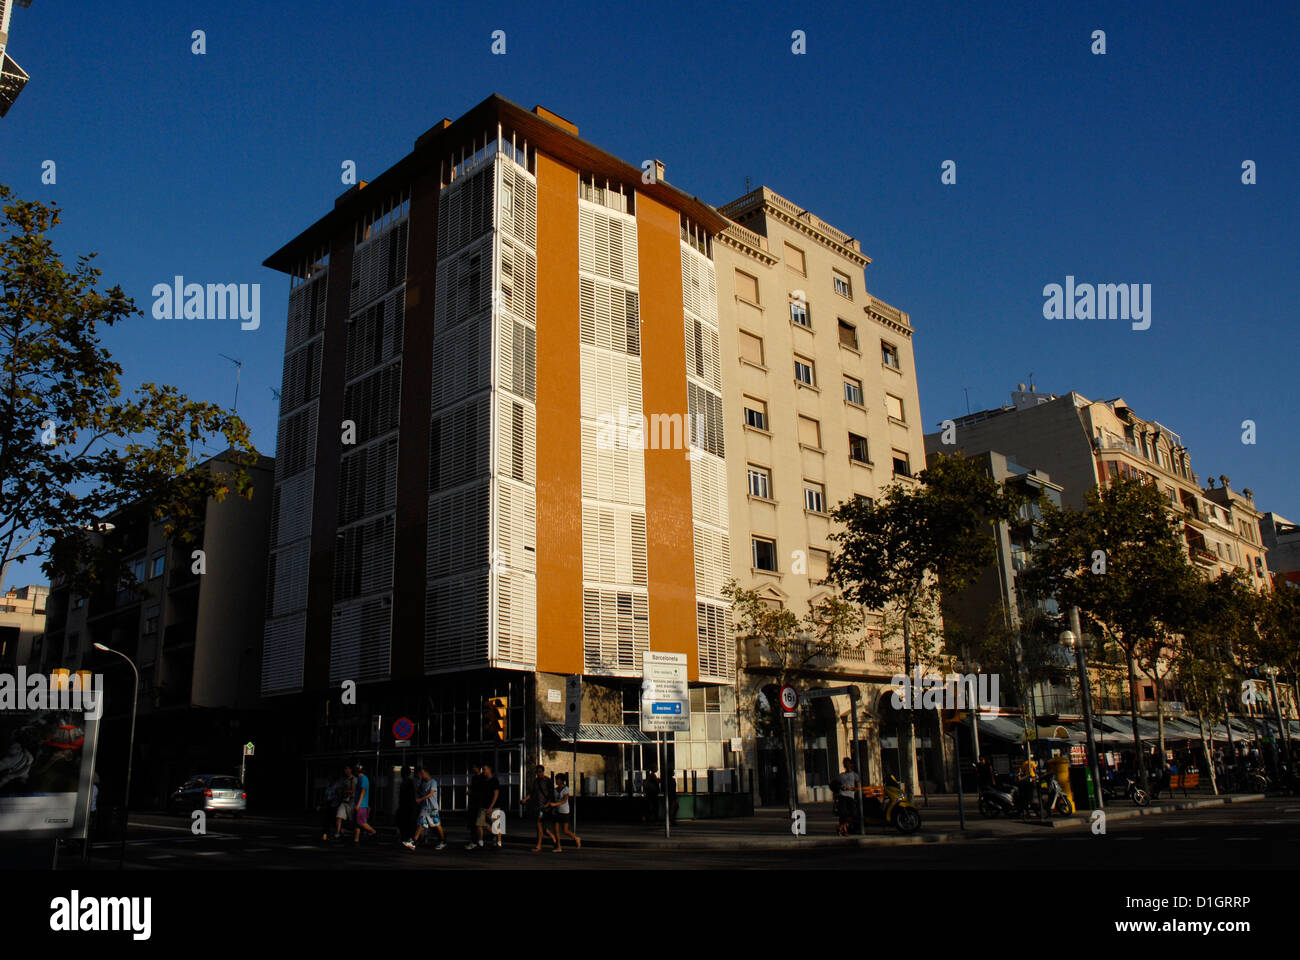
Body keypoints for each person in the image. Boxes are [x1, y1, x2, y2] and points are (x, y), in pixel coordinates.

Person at [403, 765, 447, 851]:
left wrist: (420, 799)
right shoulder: (423, 783)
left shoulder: (433, 782)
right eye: (420, 773)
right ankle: (414, 842)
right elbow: (419, 792)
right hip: (425, 807)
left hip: (432, 808)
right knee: (421, 824)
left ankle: (443, 841)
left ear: (427, 773)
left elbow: (431, 794)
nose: (421, 775)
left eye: (422, 773)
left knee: (437, 825)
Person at [523, 764, 558, 852]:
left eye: (540, 772)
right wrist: (525, 799)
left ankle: (538, 846)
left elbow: (551, 794)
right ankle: (553, 838)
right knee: (541, 827)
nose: (539, 774)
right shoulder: (536, 781)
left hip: (545, 807)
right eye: (537, 772)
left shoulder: (548, 781)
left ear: (543, 771)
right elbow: (532, 793)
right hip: (538, 806)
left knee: (539, 825)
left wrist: (548, 804)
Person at [549, 773, 581, 850]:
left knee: (565, 830)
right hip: (556, 811)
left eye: (558, 779)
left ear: (562, 781)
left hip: (564, 811)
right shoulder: (555, 790)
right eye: (556, 779)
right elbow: (552, 799)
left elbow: (564, 800)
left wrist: (555, 804)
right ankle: (559, 846)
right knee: (556, 830)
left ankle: (576, 838)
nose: (556, 781)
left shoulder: (566, 789)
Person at [353, 762, 379, 844]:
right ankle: (356, 840)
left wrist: (358, 804)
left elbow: (363, 792)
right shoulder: (360, 779)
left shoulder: (364, 779)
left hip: (362, 805)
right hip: (360, 804)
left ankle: (374, 832)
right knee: (357, 823)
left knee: (361, 822)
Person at [835, 758, 861, 836]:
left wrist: (850, 788)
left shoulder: (855, 775)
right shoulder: (841, 775)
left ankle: (840, 827)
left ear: (851, 764)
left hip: (850, 796)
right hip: (842, 796)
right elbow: (834, 785)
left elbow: (858, 788)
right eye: (845, 764)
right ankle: (844, 830)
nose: (847, 765)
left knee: (853, 814)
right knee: (843, 814)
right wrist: (840, 788)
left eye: (848, 763)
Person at [333, 765, 357, 839]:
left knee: (352, 819)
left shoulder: (353, 779)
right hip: (344, 801)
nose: (346, 771)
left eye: (347, 769)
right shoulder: (344, 779)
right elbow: (338, 789)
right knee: (339, 816)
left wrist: (343, 791)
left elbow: (353, 790)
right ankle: (337, 833)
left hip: (351, 801)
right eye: (345, 769)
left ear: (350, 770)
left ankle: (357, 832)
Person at [464, 762, 484, 849]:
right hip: (473, 803)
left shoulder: (482, 778)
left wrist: (472, 792)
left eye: (474, 768)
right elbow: (472, 787)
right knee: (473, 823)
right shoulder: (474, 778)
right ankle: (475, 841)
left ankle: (478, 841)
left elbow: (482, 790)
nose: (473, 769)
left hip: (480, 803)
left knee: (479, 823)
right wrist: (469, 791)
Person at [397, 766, 416, 844]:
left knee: (406, 823)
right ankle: (405, 838)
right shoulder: (408, 782)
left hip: (407, 806)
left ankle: (407, 838)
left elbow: (410, 795)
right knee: (403, 823)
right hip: (406, 806)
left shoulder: (408, 783)